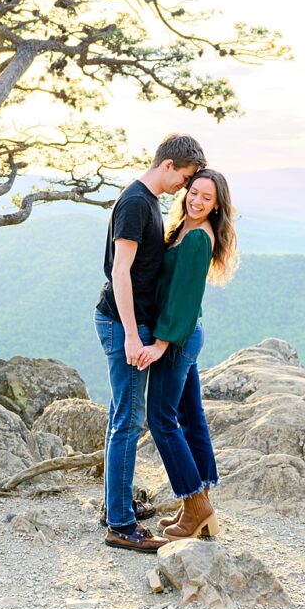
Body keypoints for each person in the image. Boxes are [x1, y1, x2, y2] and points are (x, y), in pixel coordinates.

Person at [93, 132, 205, 553]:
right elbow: (120, 272)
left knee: (122, 415)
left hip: (131, 322)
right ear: (169, 166)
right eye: (186, 177)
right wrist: (130, 333)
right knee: (129, 419)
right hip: (124, 322)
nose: (185, 187)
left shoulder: (148, 201)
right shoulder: (138, 203)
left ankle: (115, 505)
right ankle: (120, 525)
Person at [137, 168, 239, 539]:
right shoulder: (183, 228)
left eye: (206, 198)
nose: (196, 200)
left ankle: (196, 505)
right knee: (191, 417)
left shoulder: (197, 238)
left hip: (177, 339)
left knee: (161, 418)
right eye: (193, 192)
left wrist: (159, 344)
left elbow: (184, 297)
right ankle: (198, 504)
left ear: (216, 206)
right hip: (186, 334)